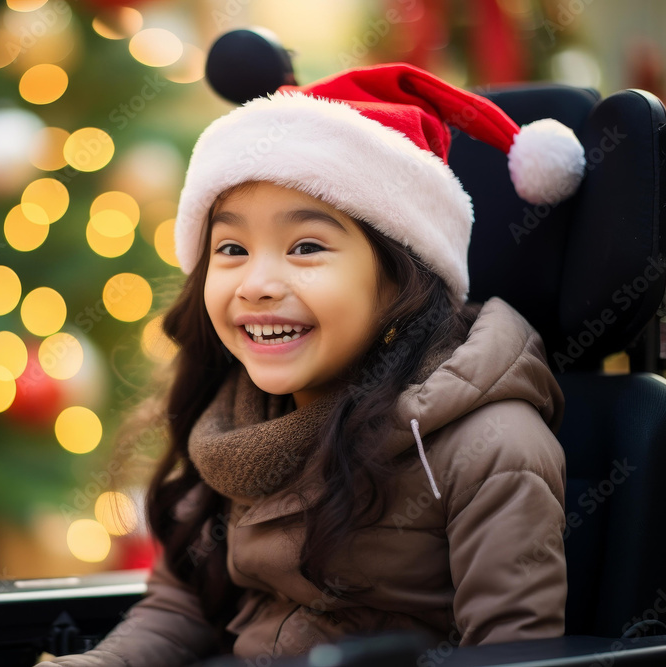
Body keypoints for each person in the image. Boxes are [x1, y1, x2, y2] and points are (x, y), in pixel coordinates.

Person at [36, 61, 586, 666]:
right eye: (232, 249)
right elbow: (178, 611)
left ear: (403, 276)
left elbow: (513, 656)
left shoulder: (489, 447)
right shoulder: (235, 423)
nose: (258, 283)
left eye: (306, 247)